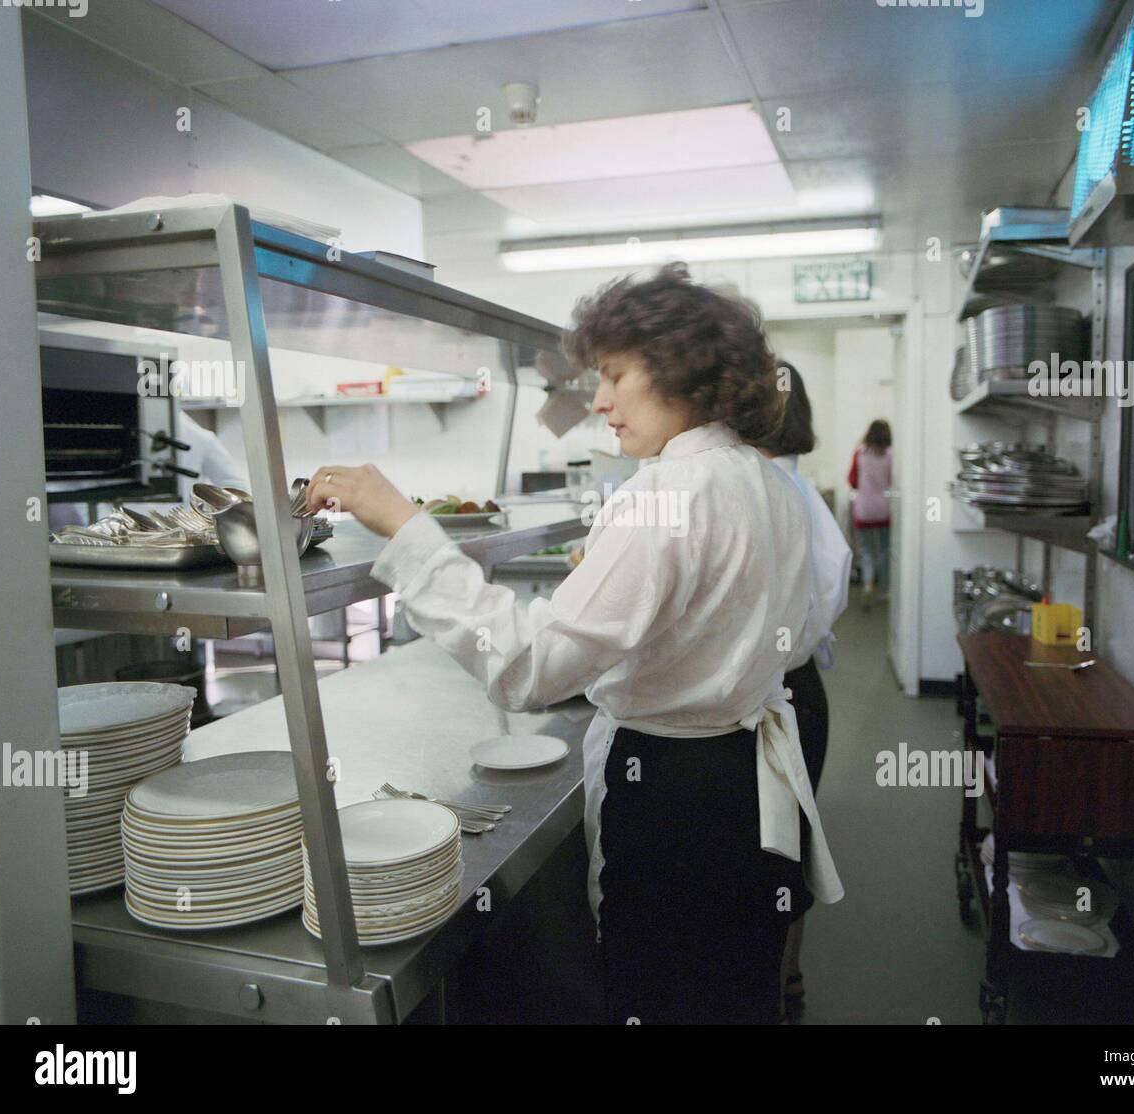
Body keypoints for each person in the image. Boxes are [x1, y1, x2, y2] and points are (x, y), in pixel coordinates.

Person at [307, 264, 843, 1024]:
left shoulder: (665, 495)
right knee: (730, 991)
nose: (597, 402)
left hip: (673, 803)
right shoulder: (765, 482)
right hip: (744, 787)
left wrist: (403, 524)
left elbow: (527, 665)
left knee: (662, 994)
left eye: (615, 375)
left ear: (682, 369)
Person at [751, 363, 852, 1020]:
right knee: (789, 848)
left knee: (774, 854)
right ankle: (788, 981)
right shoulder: (798, 492)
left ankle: (775, 988)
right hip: (802, 693)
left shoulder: (770, 498)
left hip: (775, 697)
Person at [849, 419, 892, 610]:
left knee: (867, 552)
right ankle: (884, 590)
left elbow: (852, 480)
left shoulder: (861, 452)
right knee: (883, 551)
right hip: (883, 509)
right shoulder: (890, 455)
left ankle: (867, 586)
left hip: (864, 509)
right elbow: (892, 481)